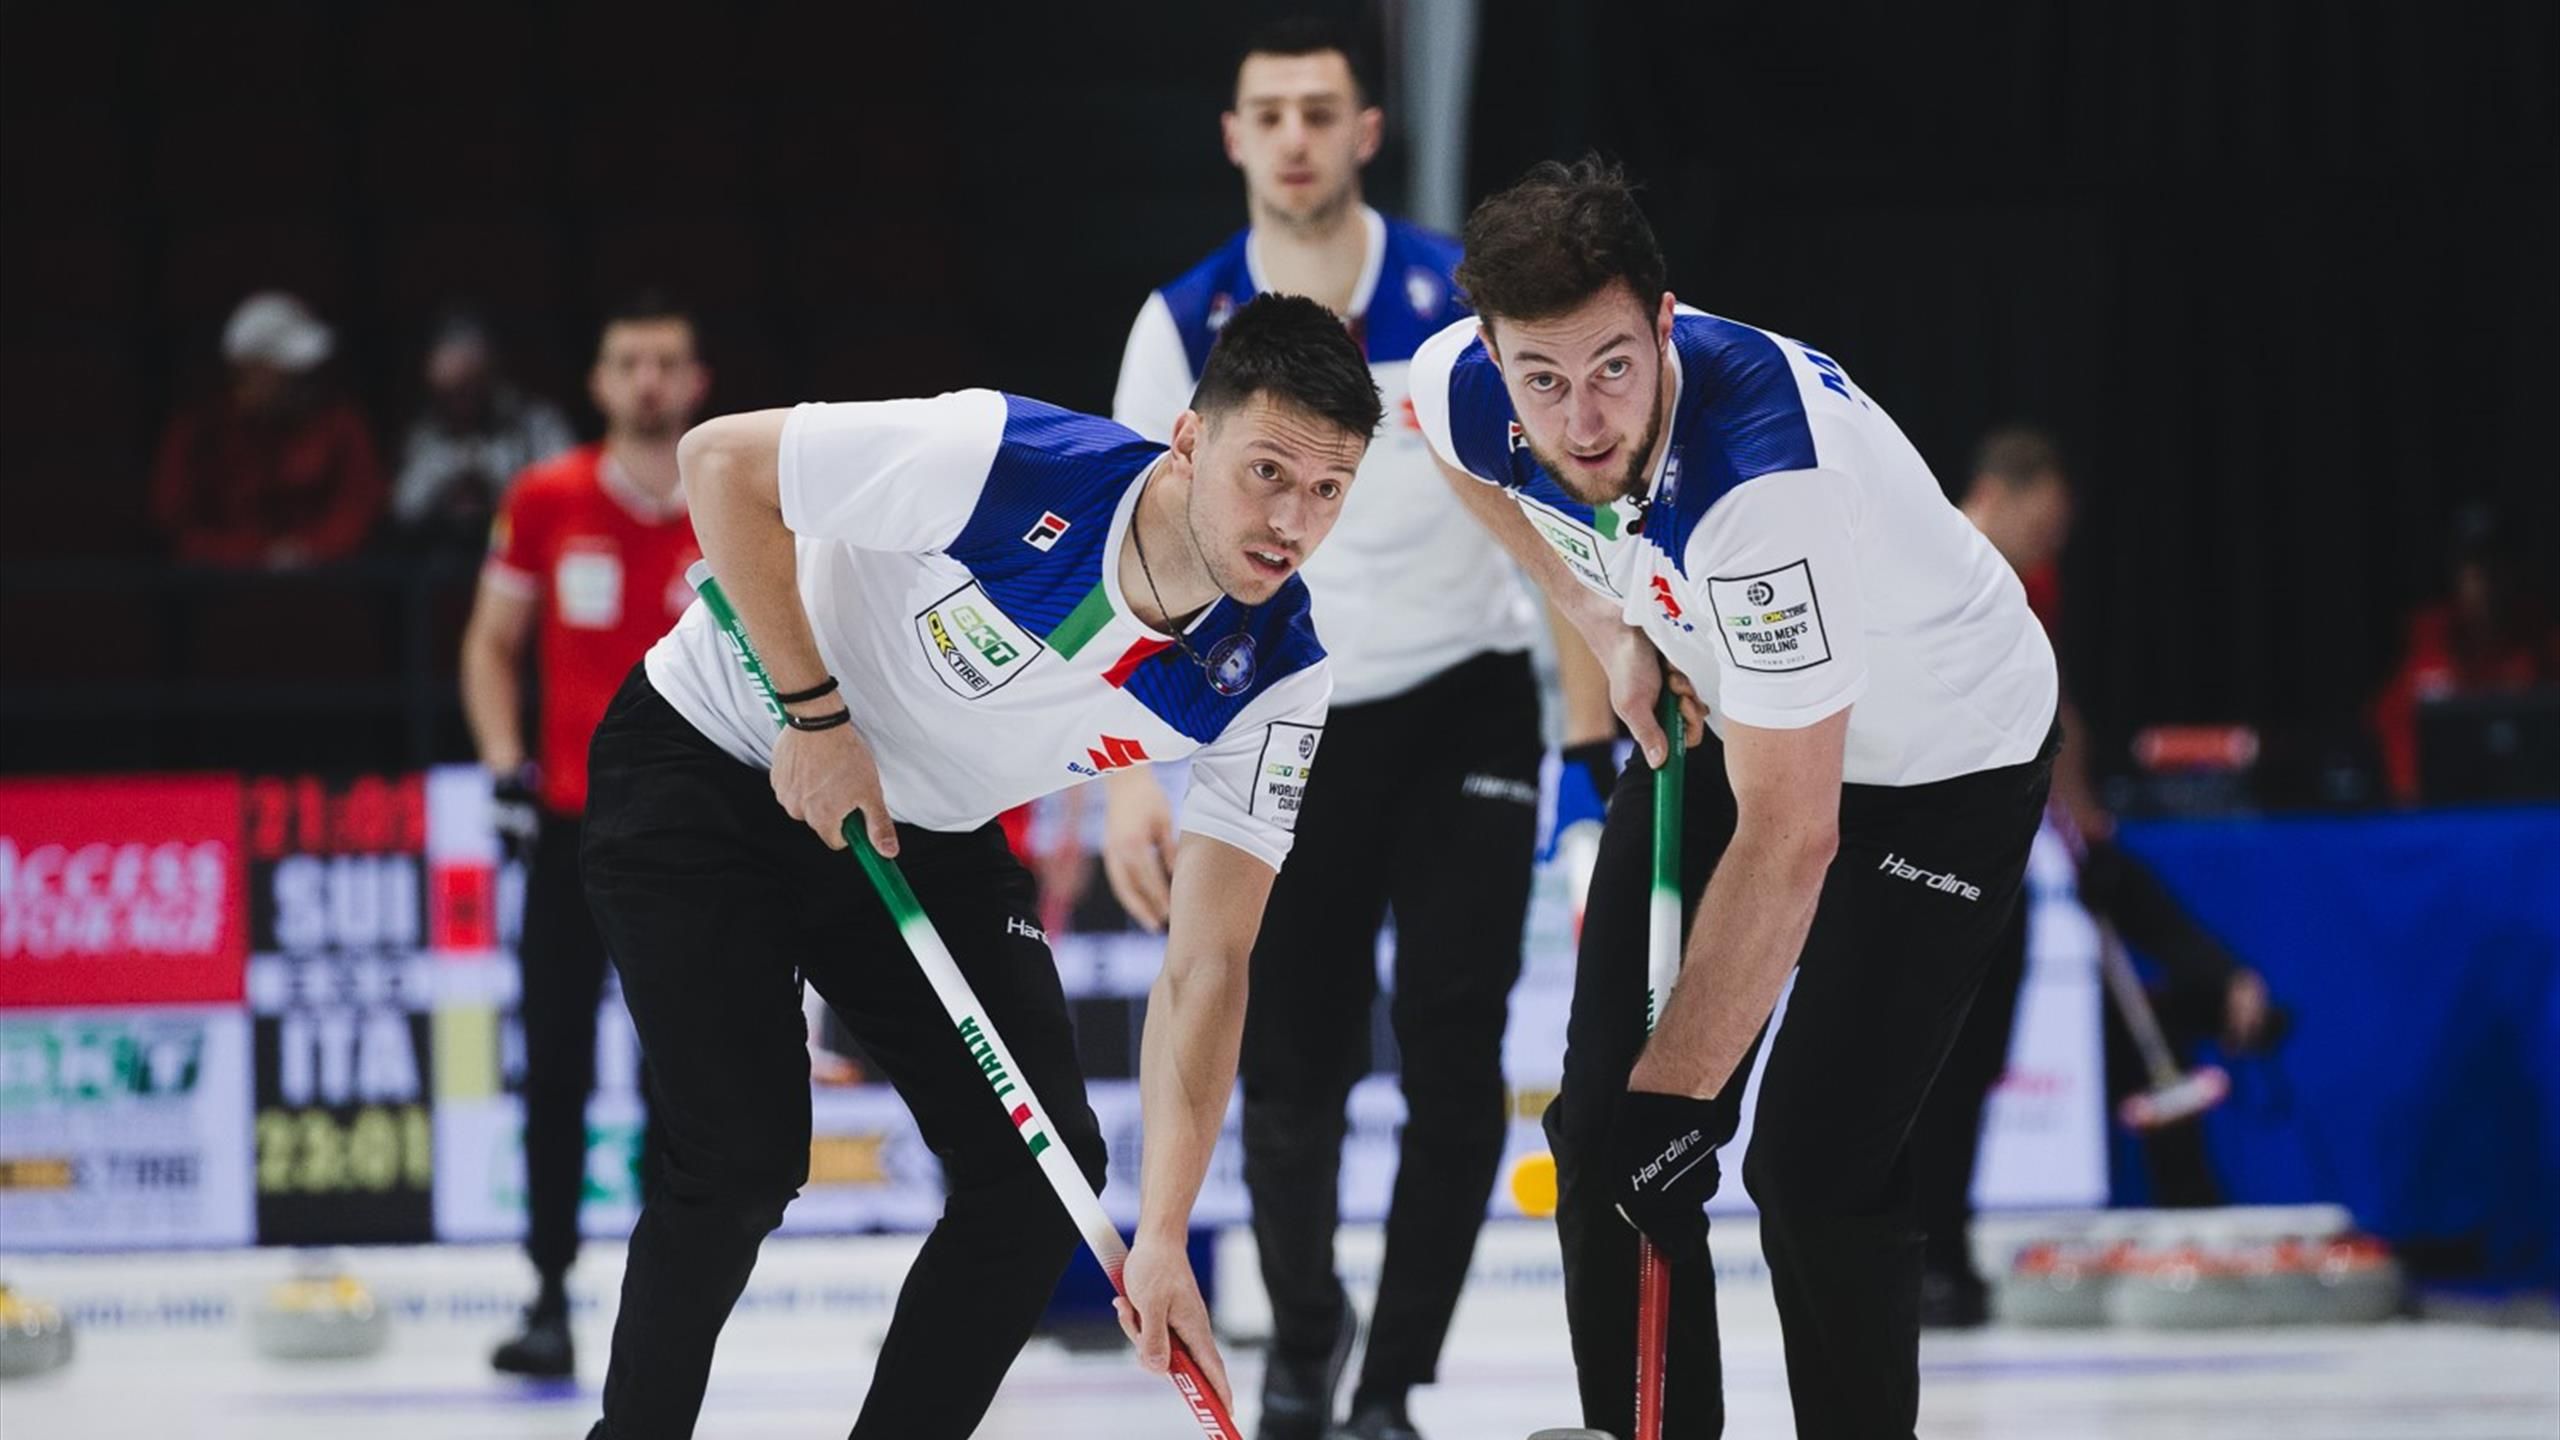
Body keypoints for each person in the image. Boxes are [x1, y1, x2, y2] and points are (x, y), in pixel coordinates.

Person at [577, 294, 1381, 1439]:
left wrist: (1162, 1235)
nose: (1290, 521)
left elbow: (1208, 962)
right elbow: (719, 465)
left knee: (1042, 1177)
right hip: (712, 755)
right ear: (1189, 439)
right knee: (741, 1157)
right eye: (1267, 473)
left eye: (1328, 491)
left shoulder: (1276, 675)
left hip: (921, 828)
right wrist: (815, 716)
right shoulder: (1007, 460)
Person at [1408, 158, 2058, 1439]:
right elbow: (1441, 437)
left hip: (1942, 768)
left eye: (1612, 367)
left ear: (1664, 326)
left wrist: (1683, 1095)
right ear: (1494, 356)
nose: (1579, 420)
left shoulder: (1761, 487)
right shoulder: (1474, 384)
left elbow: (1794, 834)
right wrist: (1597, 613)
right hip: (1731, 711)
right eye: (1541, 379)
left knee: (1809, 1165)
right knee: (1603, 1137)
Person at [1106, 21, 1604, 1440]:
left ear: (1368, 132)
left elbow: (1556, 532)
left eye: (1321, 111)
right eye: (1269, 113)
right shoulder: (1180, 323)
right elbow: (1131, 544)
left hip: (1462, 708)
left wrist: (1585, 751)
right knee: (1290, 1060)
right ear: (1233, 136)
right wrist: (1134, 784)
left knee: (1454, 1052)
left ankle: (1391, 1386)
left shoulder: (1460, 302)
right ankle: (1300, 1348)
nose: (1296, 138)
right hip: (1279, 714)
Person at [1908, 426, 2279, 1325]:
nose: (2052, 546)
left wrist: (2085, 829)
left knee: (1980, 1057)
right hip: (1927, 842)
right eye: (2046, 525)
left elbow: (2054, 707)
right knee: (1935, 1062)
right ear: (2004, 492)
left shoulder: (2031, 589)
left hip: (2000, 850)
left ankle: (1946, 1245)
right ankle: (1913, 1251)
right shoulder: (1935, 559)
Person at [459, 293, 711, 1377]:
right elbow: (489, 644)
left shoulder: (733, 497)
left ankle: (666, 1313)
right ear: (600, 383)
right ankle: (550, 1297)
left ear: (696, 381)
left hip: (697, 839)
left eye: (666, 362)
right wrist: (501, 765)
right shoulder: (545, 497)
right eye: (628, 362)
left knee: (682, 1081)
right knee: (555, 1068)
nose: (648, 380)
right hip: (569, 832)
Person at [150, 291, 384, 568]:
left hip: (328, 579)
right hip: (218, 583)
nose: (303, 379)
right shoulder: (197, 430)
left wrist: (306, 552)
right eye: (290, 369)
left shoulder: (339, 422)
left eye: (307, 370)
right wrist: (255, 557)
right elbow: (178, 525)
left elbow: (360, 506)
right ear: (247, 370)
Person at [2372, 500, 2560, 802]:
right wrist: (2407, 786)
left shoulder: (2543, 643)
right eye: (2473, 568)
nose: (2485, 581)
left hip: (2532, 812)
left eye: (2494, 565)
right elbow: (2388, 728)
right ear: (2456, 575)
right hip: (2452, 816)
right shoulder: (2428, 641)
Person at [391, 308, 577, 554]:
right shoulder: (425, 434)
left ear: (489, 376)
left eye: (468, 388)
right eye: (448, 394)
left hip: (526, 550)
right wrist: (451, 483)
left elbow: (569, 495)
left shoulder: (537, 425)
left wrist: (496, 489)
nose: (459, 403)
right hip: (444, 557)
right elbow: (403, 509)